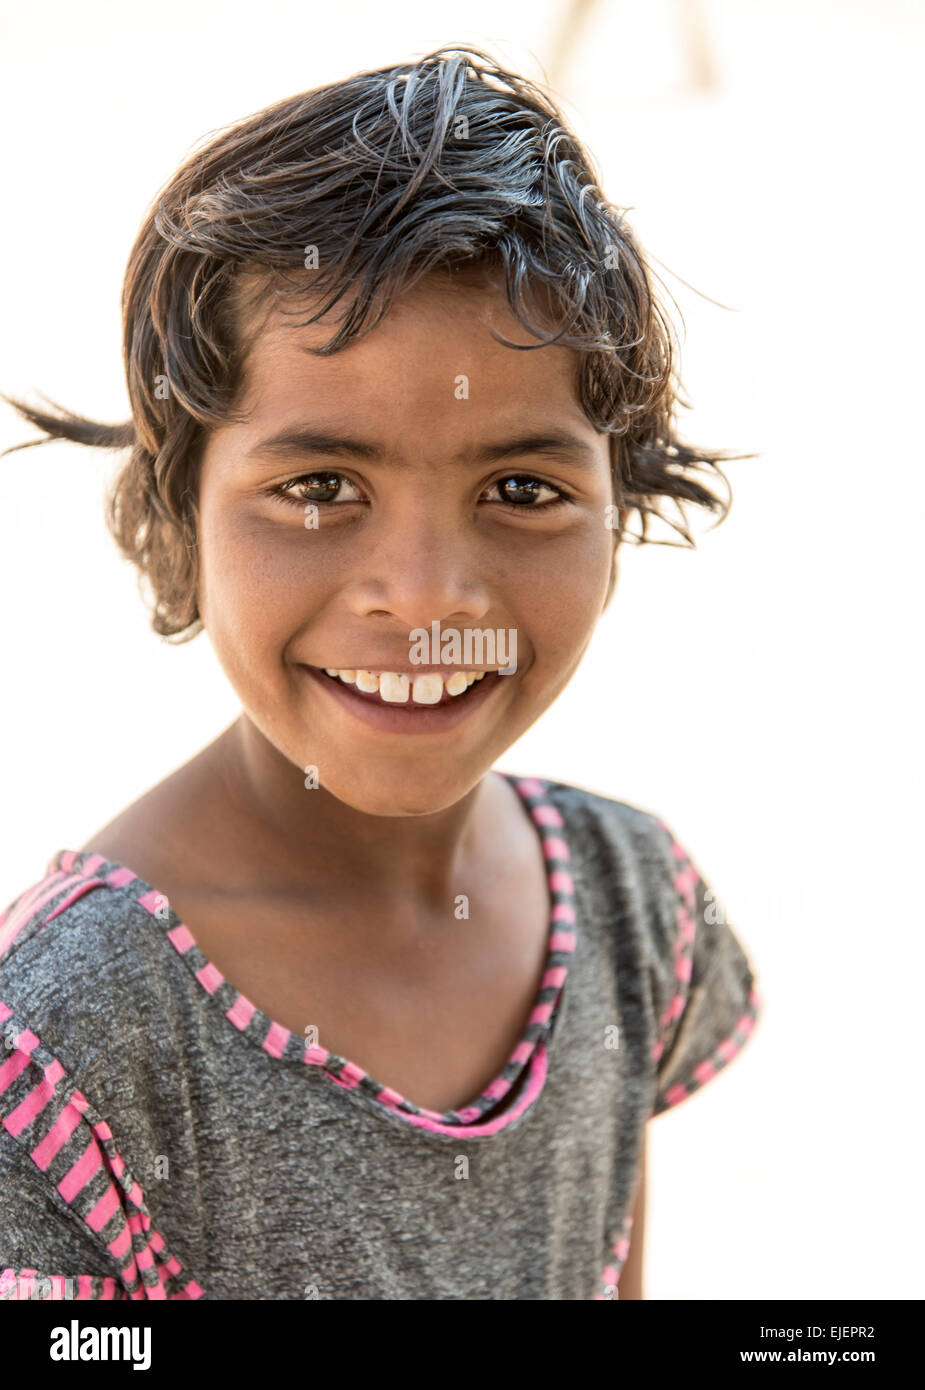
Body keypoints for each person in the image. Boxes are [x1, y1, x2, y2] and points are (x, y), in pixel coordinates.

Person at [0, 45, 761, 1301]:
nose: (423, 597)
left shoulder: (634, 904)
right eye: (317, 489)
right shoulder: (65, 1053)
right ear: (182, 509)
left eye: (521, 489)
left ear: (617, 512)